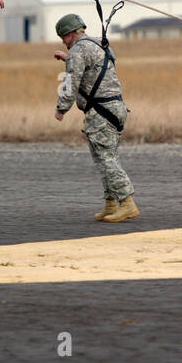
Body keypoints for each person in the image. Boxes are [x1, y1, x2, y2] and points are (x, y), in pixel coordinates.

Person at [54, 13, 138, 222]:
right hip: (116, 108)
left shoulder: (77, 51)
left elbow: (70, 83)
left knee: (105, 159)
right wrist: (69, 59)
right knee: (106, 157)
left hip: (100, 112)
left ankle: (127, 203)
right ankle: (110, 204)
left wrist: (61, 109)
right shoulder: (100, 45)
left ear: (71, 34)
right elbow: (96, 68)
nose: (64, 42)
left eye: (64, 37)